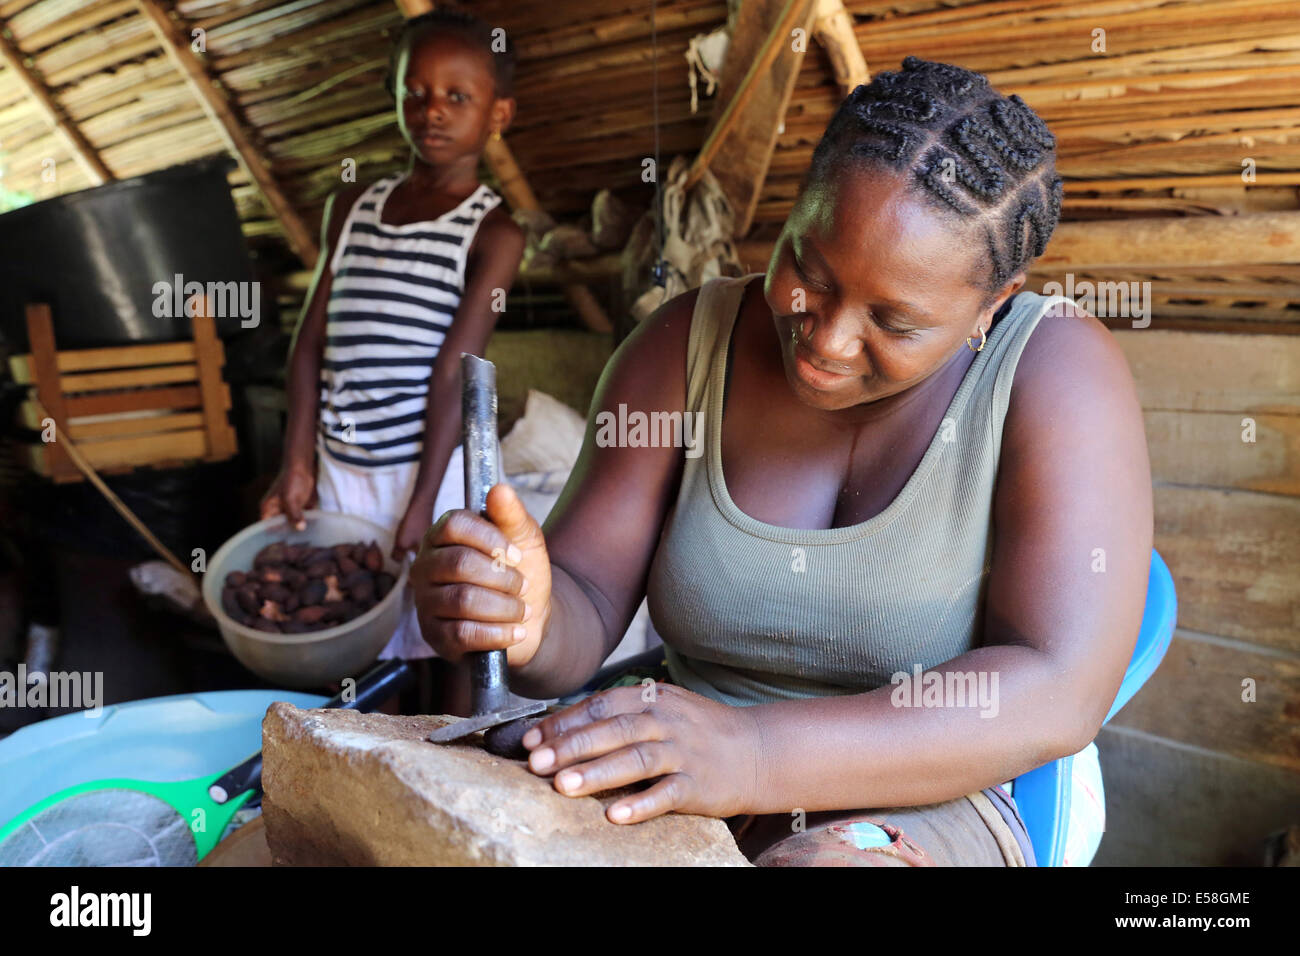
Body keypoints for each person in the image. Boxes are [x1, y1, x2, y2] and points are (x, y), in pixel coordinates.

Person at [411, 56, 1152, 866]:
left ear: (993, 302)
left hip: (923, 795)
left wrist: (754, 753)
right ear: (797, 209)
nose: (827, 341)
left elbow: (1058, 690)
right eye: (810, 272)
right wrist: (524, 617)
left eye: (896, 323)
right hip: (677, 758)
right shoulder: (681, 345)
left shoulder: (1055, 369)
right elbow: (582, 609)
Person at [261, 9, 525, 661]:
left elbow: (452, 377)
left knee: (442, 634)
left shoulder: (494, 234)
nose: (433, 111)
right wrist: (297, 461)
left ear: (498, 115)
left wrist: (423, 500)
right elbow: (310, 344)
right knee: (338, 618)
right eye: (417, 92)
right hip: (341, 467)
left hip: (428, 466)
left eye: (458, 97)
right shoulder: (351, 207)